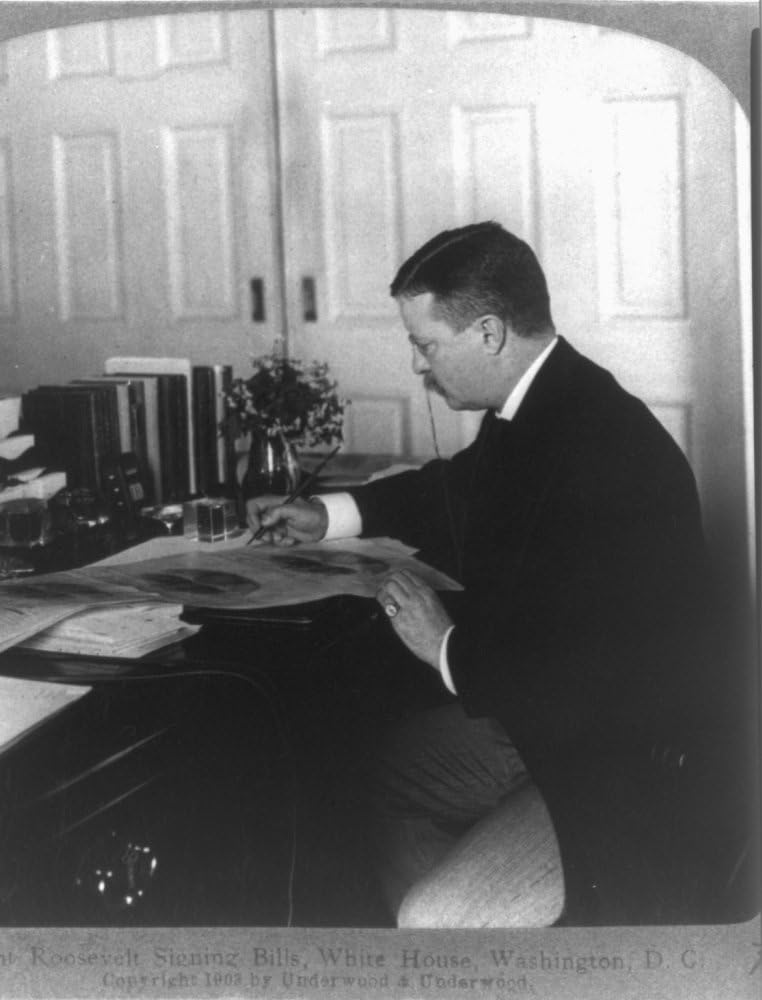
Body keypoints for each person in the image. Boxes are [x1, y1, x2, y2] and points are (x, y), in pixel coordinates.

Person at [246, 222, 751, 927]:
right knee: (374, 768)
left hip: (621, 767)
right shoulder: (548, 403)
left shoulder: (600, 448)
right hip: (565, 727)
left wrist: (443, 644)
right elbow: (459, 489)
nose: (419, 368)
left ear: (488, 333)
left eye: (426, 346)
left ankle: (459, 945)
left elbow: (581, 677)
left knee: (432, 917)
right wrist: (331, 513)